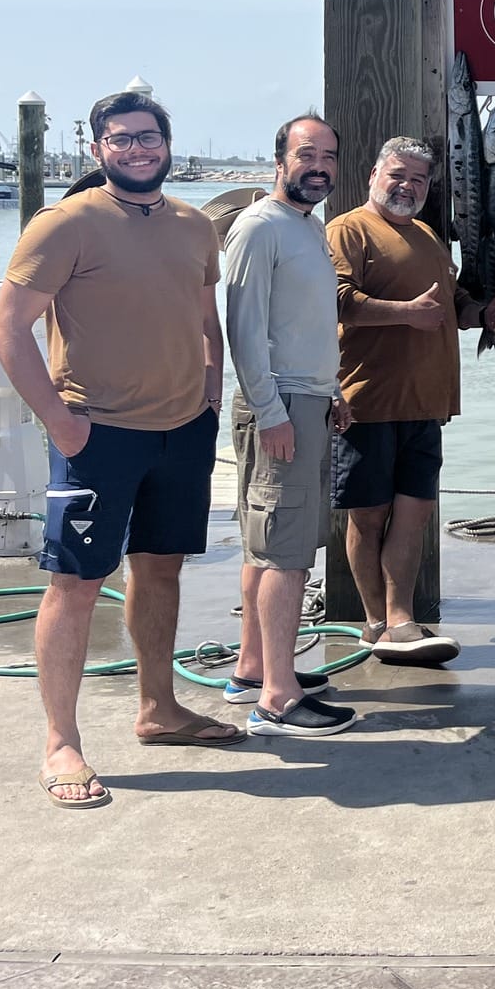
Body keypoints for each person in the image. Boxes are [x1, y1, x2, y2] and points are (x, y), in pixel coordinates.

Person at [0, 89, 240, 809]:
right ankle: (61, 741)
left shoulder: (195, 226)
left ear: (168, 143)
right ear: (98, 149)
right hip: (96, 433)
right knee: (75, 584)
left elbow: (203, 316)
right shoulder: (66, 223)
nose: (138, 148)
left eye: (149, 136)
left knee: (161, 571)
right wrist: (57, 422)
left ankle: (159, 710)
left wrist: (212, 389)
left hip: (183, 429)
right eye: (122, 138)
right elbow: (9, 327)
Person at [327, 136, 495, 664]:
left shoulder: (430, 235)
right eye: (398, 175)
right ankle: (375, 622)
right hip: (366, 400)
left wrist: (482, 316)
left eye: (419, 179)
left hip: (427, 403)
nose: (407, 186)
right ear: (373, 175)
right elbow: (337, 302)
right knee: (368, 517)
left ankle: (402, 617)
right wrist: (405, 312)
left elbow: (448, 306)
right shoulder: (347, 230)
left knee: (413, 515)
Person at [222, 115, 360, 736]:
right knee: (286, 551)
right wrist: (274, 413)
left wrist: (332, 392)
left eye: (329, 155)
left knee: (270, 542)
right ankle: (277, 699)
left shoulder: (309, 229)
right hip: (276, 405)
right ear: (279, 158)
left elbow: (302, 325)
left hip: (308, 400)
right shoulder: (257, 227)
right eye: (307, 153)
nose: (320, 165)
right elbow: (244, 333)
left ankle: (255, 667)